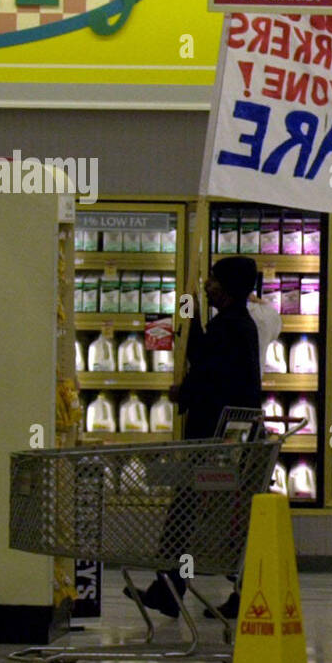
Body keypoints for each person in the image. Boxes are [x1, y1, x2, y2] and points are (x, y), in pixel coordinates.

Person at [129, 255, 263, 618]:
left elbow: (211, 380)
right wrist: (189, 309)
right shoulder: (234, 324)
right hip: (221, 443)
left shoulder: (231, 327)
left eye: (213, 281)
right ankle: (171, 589)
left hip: (213, 444)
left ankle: (178, 589)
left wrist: (182, 394)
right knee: (195, 517)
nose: (208, 286)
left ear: (229, 288)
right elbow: (204, 355)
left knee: (188, 516)